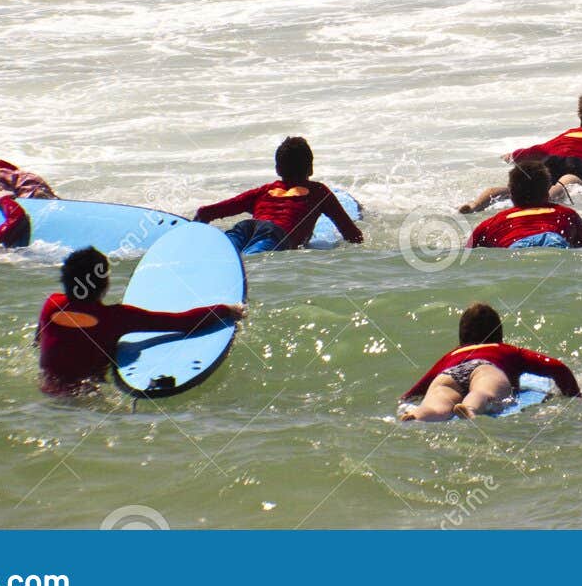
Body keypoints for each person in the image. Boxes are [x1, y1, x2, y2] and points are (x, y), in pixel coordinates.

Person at [35, 247, 245, 395]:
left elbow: (38, 340)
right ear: (105, 284)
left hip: (46, 387)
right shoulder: (116, 317)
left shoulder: (52, 304)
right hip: (86, 396)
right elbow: (181, 323)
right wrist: (226, 309)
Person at [458, 87, 582, 214]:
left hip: (550, 162)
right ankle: (548, 196)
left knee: (518, 190)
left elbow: (537, 150)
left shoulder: (566, 135)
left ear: (581, 115)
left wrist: (513, 155)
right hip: (579, 167)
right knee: (568, 182)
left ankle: (476, 204)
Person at [399, 301, 582, 421]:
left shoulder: (450, 355)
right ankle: (470, 409)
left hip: (448, 375)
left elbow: (416, 391)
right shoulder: (504, 349)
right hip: (485, 369)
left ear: (462, 338)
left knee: (436, 400)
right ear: (499, 335)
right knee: (483, 392)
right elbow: (558, 368)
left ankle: (418, 415)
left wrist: (406, 399)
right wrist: (575, 397)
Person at [194, 137, 362, 254]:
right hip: (275, 235)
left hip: (246, 227)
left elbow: (206, 212)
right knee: (252, 261)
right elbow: (352, 234)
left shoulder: (263, 191)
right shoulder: (319, 192)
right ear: (310, 169)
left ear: (278, 170)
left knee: (222, 253)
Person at [468, 162, 582, 249]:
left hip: (514, 249)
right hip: (553, 242)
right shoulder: (567, 214)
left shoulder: (490, 224)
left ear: (511, 195)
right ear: (547, 193)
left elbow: (465, 257)